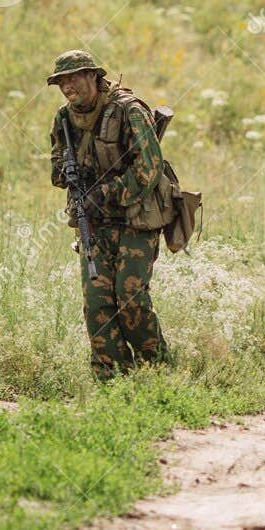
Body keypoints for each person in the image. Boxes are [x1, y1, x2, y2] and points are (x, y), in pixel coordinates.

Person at [47, 49, 177, 379]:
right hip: (93, 224)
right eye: (61, 82)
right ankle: (111, 381)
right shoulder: (63, 120)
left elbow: (149, 170)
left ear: (93, 75)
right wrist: (70, 175)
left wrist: (103, 194)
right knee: (97, 304)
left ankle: (157, 371)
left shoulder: (128, 111)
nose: (67, 87)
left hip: (136, 218)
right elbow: (55, 169)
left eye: (73, 78)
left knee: (131, 298)